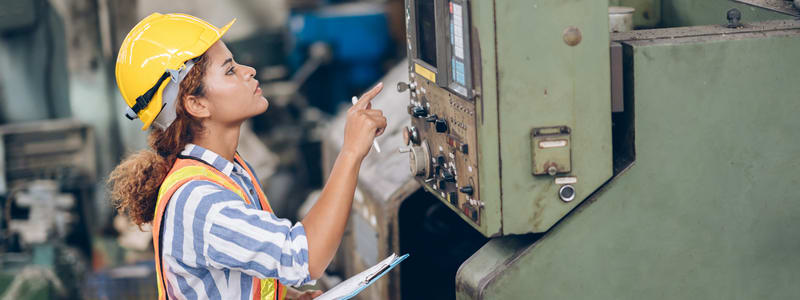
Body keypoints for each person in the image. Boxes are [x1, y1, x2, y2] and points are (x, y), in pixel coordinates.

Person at [108, 13, 387, 300]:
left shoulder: (226, 170)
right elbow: (304, 258)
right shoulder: (199, 200)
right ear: (196, 103)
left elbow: (233, 274)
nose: (249, 70)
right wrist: (351, 151)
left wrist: (286, 298)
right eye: (230, 70)